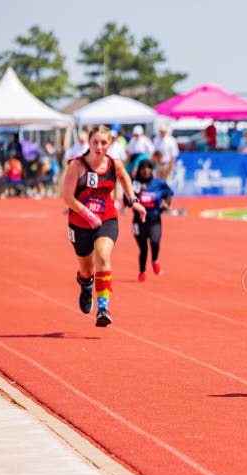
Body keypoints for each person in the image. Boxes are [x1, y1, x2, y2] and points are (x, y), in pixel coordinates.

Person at [63, 125, 147, 327]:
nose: (99, 147)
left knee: (102, 254)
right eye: (95, 142)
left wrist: (133, 200)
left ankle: (103, 308)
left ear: (110, 144)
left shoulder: (114, 165)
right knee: (86, 269)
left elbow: (124, 177)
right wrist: (87, 214)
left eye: (104, 143)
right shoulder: (77, 165)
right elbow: (67, 198)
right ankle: (86, 286)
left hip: (107, 218)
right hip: (80, 222)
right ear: (89, 143)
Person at [131, 159, 174, 281]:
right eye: (143, 168)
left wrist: (167, 204)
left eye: (148, 168)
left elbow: (168, 193)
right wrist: (139, 191)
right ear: (139, 170)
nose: (146, 170)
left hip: (154, 219)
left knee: (155, 242)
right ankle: (142, 271)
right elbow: (127, 200)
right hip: (139, 221)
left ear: (152, 170)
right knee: (143, 248)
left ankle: (155, 260)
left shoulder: (158, 183)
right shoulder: (134, 184)